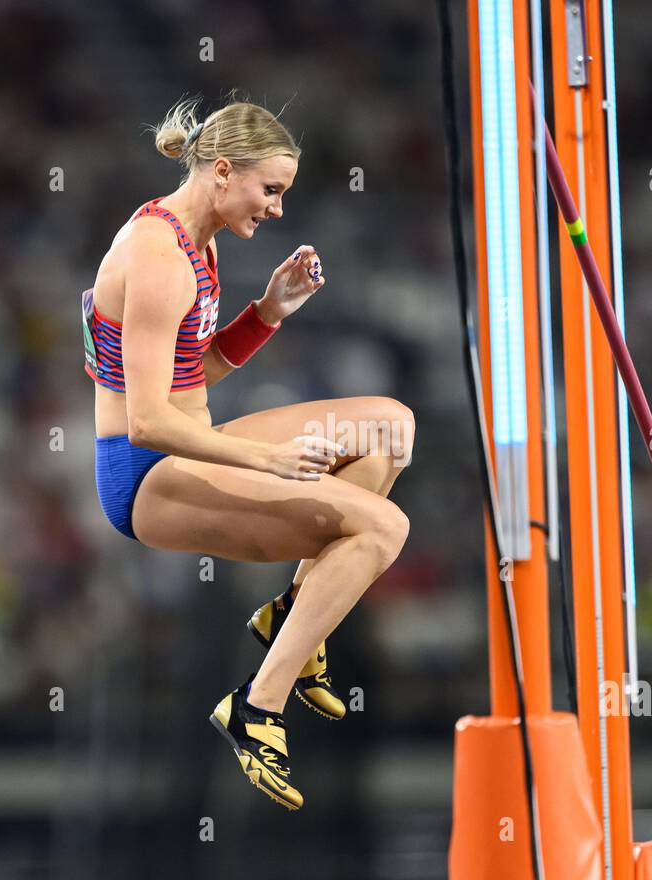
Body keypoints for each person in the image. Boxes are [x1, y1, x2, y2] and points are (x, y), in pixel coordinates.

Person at [83, 95, 414, 810]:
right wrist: (269, 462)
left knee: (392, 426)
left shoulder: (194, 241)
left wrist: (268, 312)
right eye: (272, 190)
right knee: (384, 528)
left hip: (193, 445)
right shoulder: (158, 254)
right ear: (224, 172)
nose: (277, 209)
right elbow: (145, 421)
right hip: (147, 474)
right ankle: (257, 704)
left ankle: (295, 609)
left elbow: (188, 376)